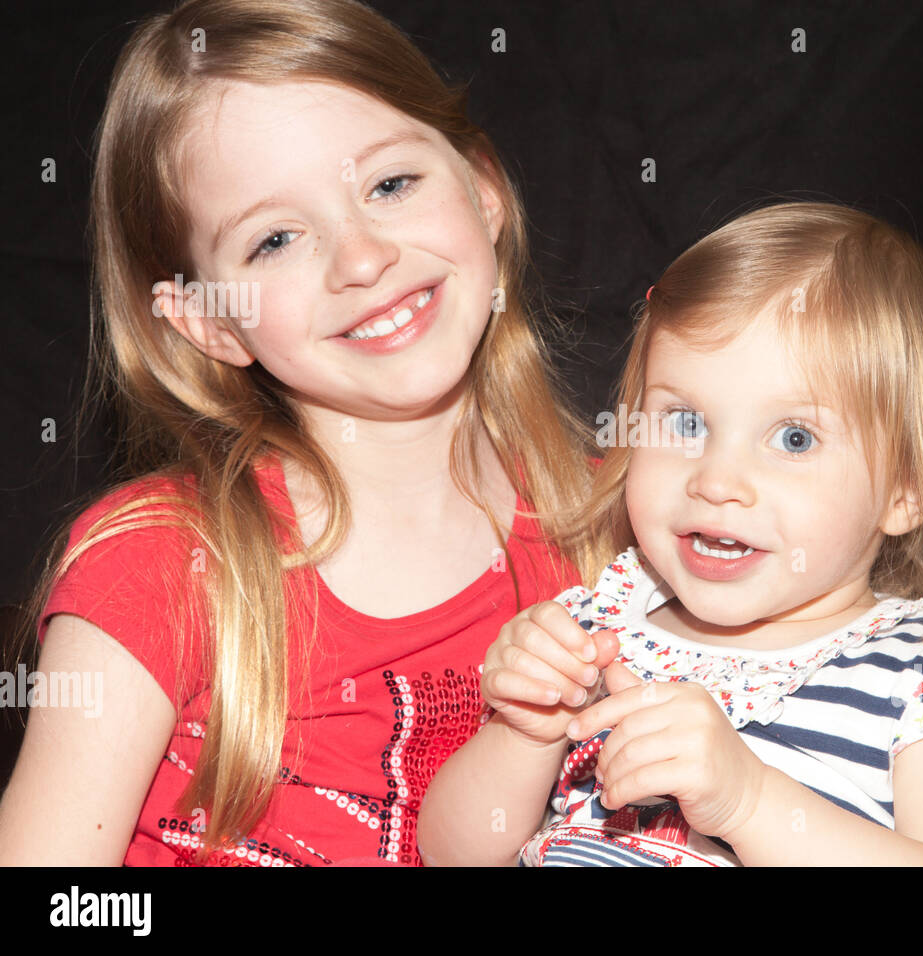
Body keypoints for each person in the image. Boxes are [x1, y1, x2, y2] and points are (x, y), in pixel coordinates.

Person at [0, 0, 608, 866]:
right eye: (276, 239)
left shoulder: (626, 531)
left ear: (482, 188)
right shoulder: (157, 567)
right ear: (209, 321)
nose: (361, 259)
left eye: (391, 185)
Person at [419, 201, 923, 866]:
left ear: (907, 489)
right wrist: (525, 736)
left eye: (794, 437)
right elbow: (450, 854)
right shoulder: (597, 633)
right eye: (685, 423)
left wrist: (751, 804)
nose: (717, 479)